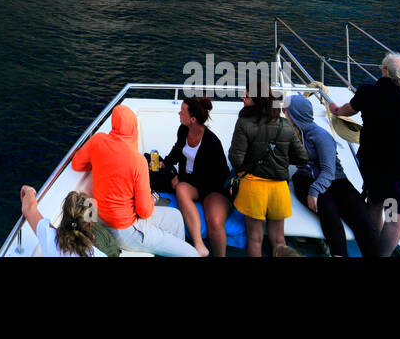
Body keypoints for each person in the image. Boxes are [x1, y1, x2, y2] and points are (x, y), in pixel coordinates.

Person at [329, 52, 400, 256]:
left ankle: (371, 251)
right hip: (398, 172)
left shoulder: (368, 92)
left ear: (384, 71)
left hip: (372, 166)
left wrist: (335, 110)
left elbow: (347, 110)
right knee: (392, 216)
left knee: (374, 205)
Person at [71, 104, 199, 256]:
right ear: (133, 128)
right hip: (127, 230)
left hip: (102, 219)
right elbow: (144, 212)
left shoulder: (97, 141)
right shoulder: (138, 161)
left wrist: (99, 162)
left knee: (176, 217)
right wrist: (151, 200)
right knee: (192, 253)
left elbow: (77, 163)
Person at [286, 94, 379, 257]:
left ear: (295, 114)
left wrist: (314, 191)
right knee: (329, 213)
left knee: (361, 218)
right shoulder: (290, 134)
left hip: (335, 179)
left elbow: (328, 171)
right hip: (305, 179)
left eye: (286, 111)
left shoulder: (320, 136)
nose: (284, 114)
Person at [229, 89, 310, 257]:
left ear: (257, 101)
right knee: (279, 241)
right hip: (279, 189)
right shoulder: (285, 124)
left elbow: (236, 160)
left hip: (253, 187)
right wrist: (281, 160)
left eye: (247, 95)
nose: (242, 97)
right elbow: (302, 158)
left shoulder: (244, 123)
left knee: (254, 238)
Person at [151, 96, 232, 256]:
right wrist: (165, 163)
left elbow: (215, 177)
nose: (179, 114)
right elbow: (177, 150)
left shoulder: (211, 143)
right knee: (181, 188)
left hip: (213, 188)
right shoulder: (183, 130)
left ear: (193, 119)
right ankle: (199, 245)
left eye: (182, 112)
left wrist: (182, 179)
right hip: (193, 184)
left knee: (214, 221)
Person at [19, 185, 104, 257]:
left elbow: (28, 208)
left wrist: (28, 190)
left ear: (64, 216)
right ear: (89, 224)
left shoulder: (49, 236)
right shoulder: (98, 255)